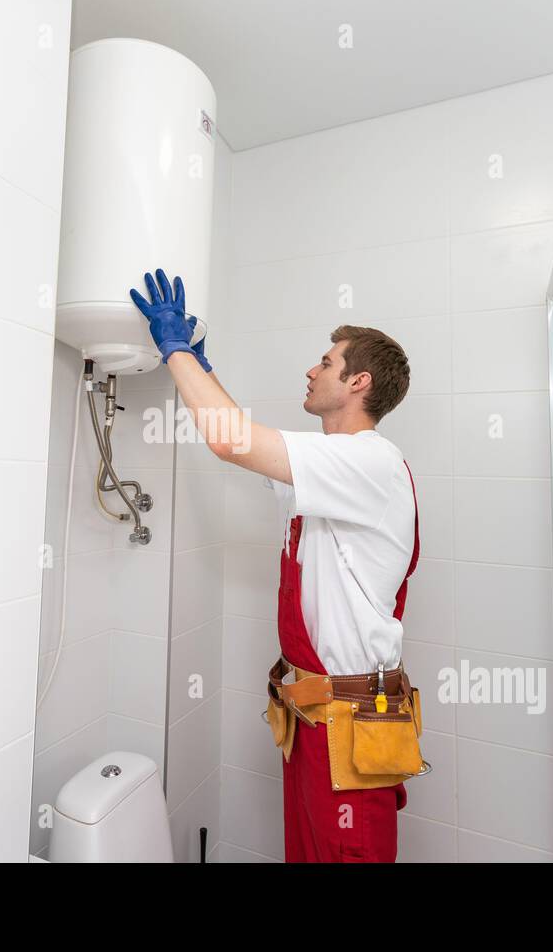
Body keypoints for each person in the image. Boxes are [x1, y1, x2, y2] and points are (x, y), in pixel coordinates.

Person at [129, 268, 424, 863]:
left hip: (351, 729)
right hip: (313, 718)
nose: (311, 371)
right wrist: (202, 367)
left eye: (326, 362)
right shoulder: (329, 466)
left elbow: (230, 440)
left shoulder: (370, 463)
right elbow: (244, 444)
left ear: (358, 381)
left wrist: (174, 348)